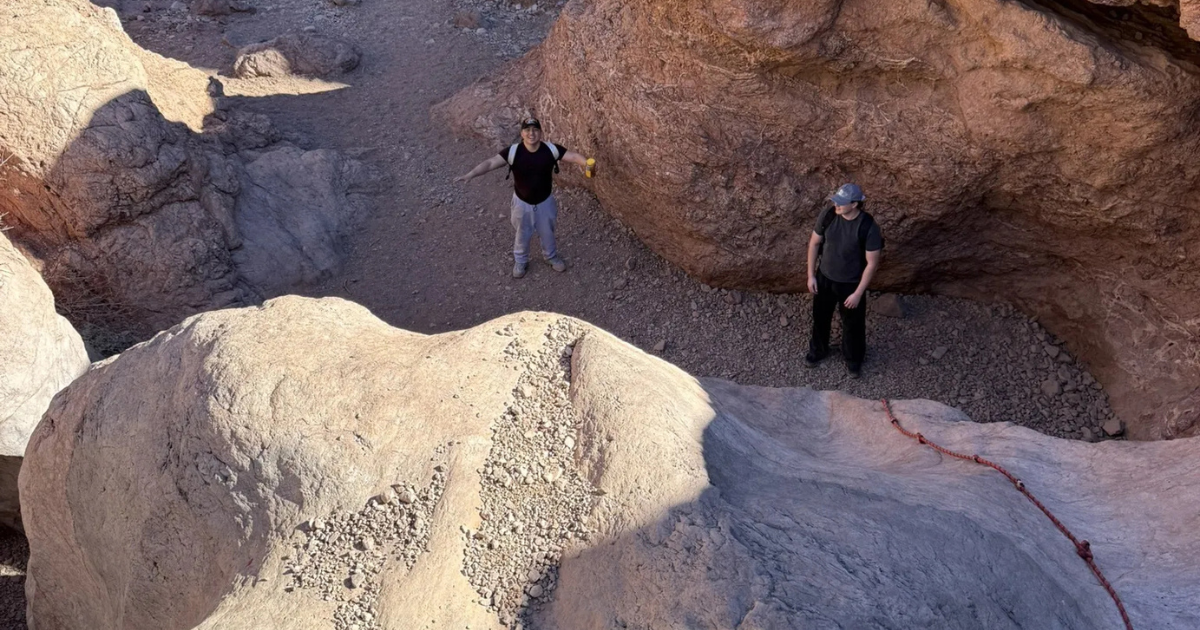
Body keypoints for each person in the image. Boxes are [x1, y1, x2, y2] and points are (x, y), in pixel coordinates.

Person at [456, 117, 591, 278]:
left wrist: (587, 163)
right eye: (527, 130)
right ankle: (521, 260)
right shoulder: (513, 152)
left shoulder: (551, 150)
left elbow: (574, 157)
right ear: (522, 133)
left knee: (547, 231)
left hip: (545, 202)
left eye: (535, 130)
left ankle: (551, 256)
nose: (531, 133)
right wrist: (471, 174)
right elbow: (491, 163)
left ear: (540, 132)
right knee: (522, 232)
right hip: (522, 203)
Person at [805, 183, 883, 379]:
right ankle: (818, 350)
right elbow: (814, 243)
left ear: (855, 204)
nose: (836, 205)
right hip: (825, 278)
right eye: (836, 201)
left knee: (853, 324)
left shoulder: (868, 227)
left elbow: (872, 264)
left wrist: (858, 293)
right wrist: (811, 275)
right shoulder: (829, 215)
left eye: (841, 203)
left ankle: (853, 359)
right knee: (820, 317)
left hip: (851, 284)